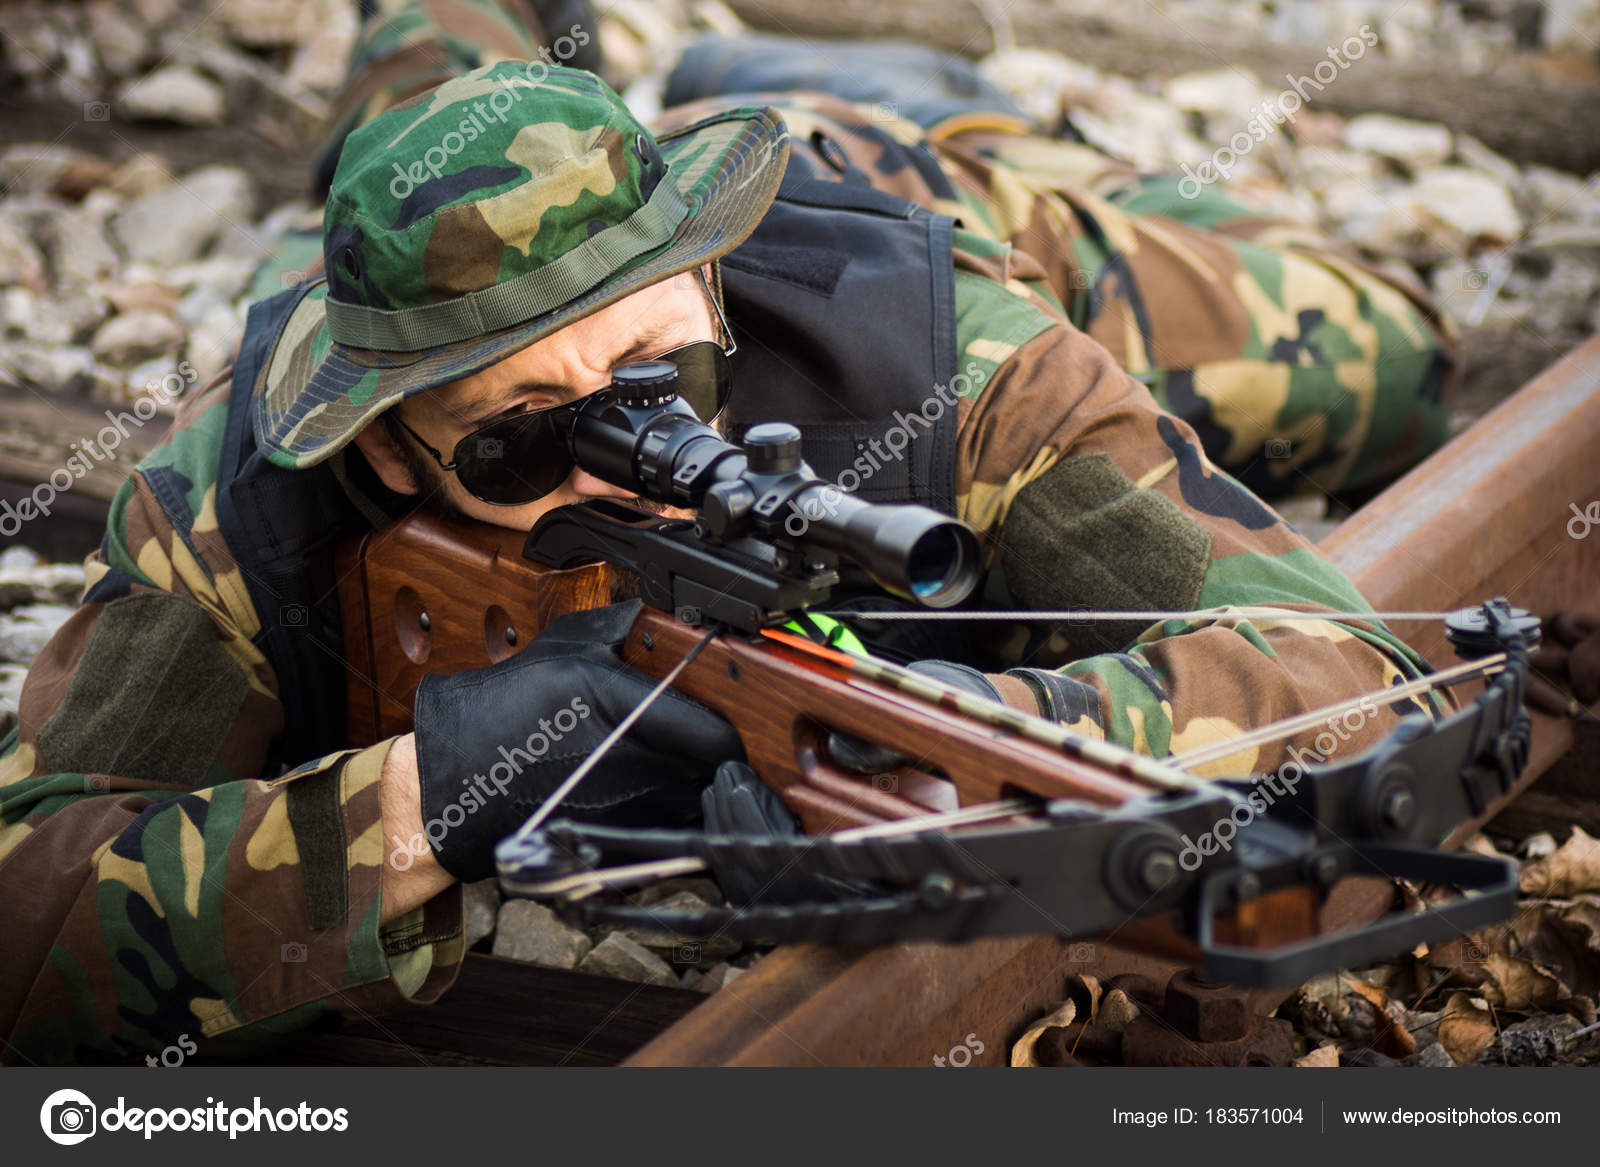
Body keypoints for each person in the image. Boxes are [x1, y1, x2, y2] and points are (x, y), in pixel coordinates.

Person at [1, 3, 1452, 1065]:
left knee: (1387, 363)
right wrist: (427, 800)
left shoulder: (945, 354)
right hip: (442, 269)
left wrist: (958, 735)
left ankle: (911, 101)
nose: (628, 467)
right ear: (388, 439)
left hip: (903, 191)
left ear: (708, 295)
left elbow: (1363, 681)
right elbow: (24, 912)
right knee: (426, 108)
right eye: (520, 441)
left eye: (661, 386)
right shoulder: (245, 486)